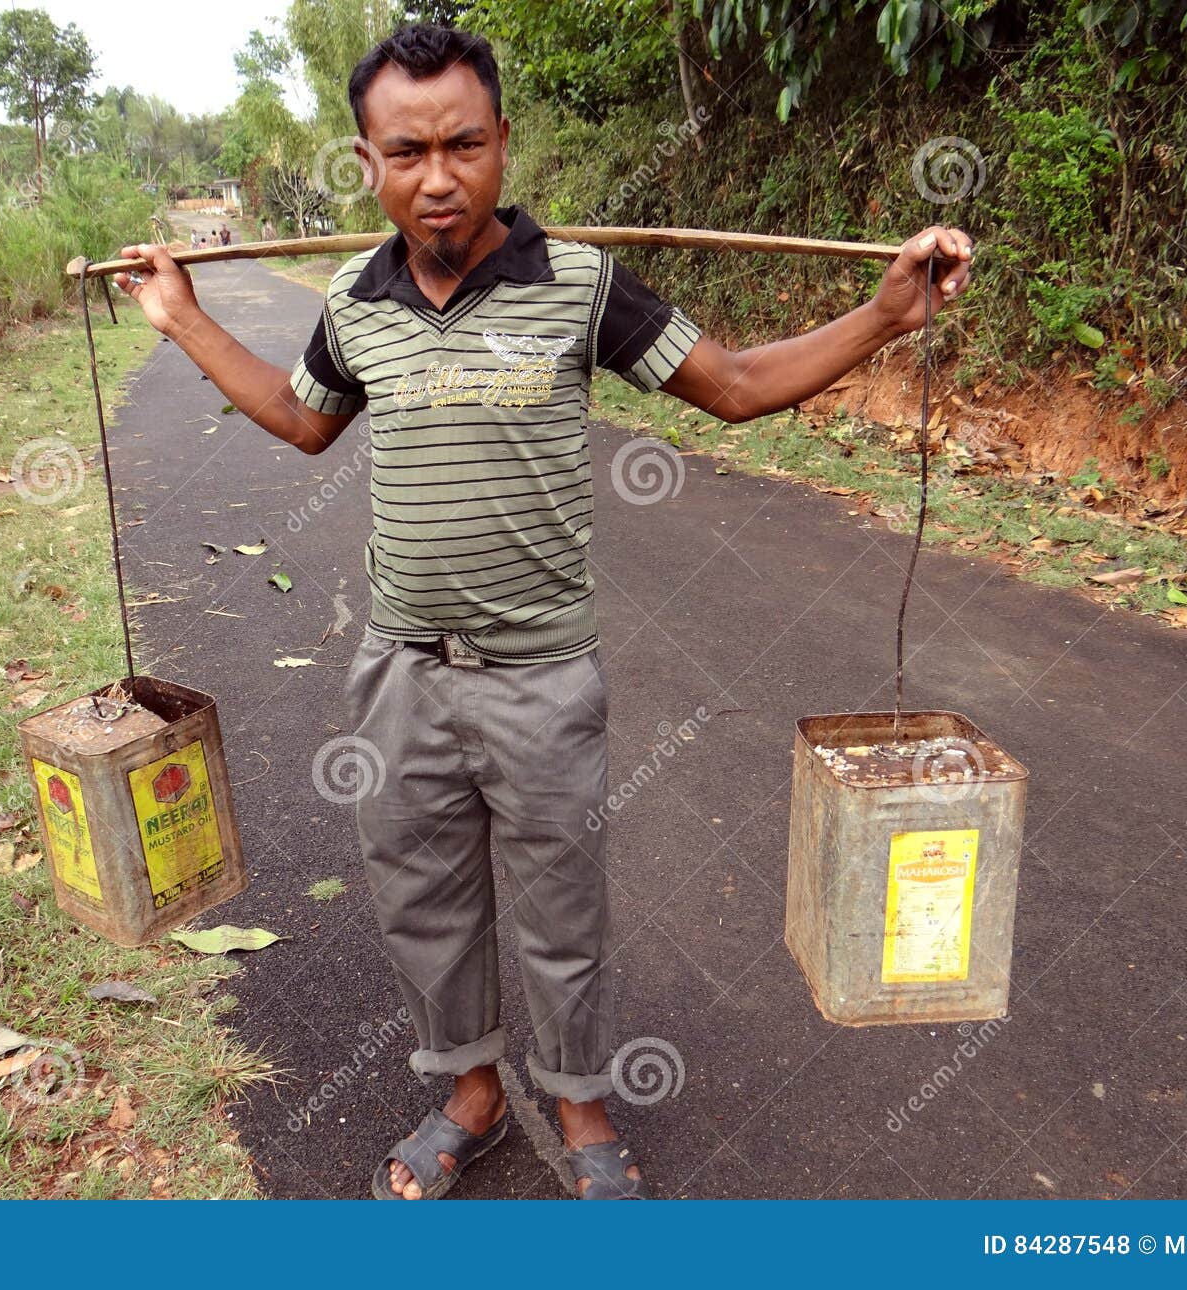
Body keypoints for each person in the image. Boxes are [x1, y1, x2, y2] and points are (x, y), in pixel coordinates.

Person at [115, 21, 972, 1199]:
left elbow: (728, 386)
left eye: (463, 144)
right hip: (398, 671)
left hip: (540, 677)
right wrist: (186, 320)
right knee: (422, 901)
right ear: (366, 161)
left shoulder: (581, 284)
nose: (437, 177)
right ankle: (468, 1094)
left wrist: (882, 316)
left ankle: (577, 1101)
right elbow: (306, 417)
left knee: (563, 912)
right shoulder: (354, 299)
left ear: (503, 144)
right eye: (405, 151)